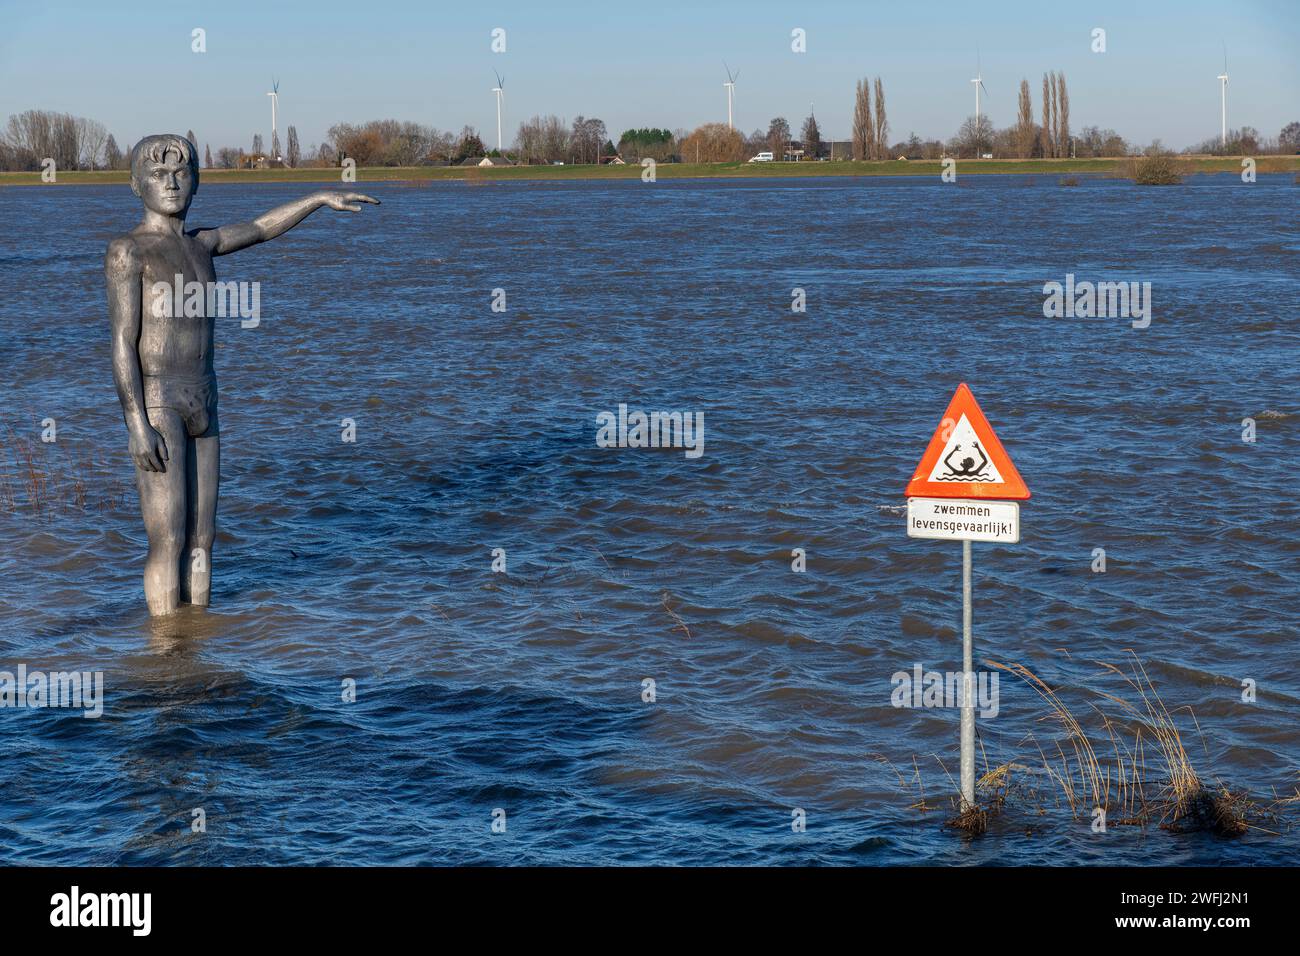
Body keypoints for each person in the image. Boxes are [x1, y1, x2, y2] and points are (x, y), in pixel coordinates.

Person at [106, 133, 379, 616]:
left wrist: (317, 198)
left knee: (202, 538)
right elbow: (123, 343)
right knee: (168, 537)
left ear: (197, 181)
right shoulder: (129, 250)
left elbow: (259, 227)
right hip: (158, 400)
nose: (171, 183)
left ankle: (198, 641)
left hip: (204, 399)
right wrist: (135, 424)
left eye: (181, 173)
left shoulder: (202, 245)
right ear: (136, 185)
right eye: (157, 175)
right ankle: (166, 656)